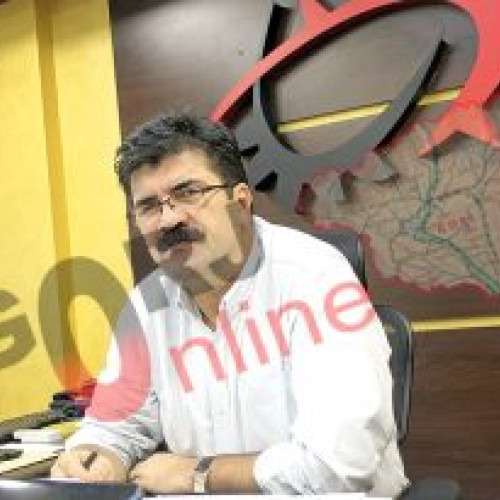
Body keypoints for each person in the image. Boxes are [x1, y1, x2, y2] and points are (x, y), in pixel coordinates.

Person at [51, 113, 408, 496]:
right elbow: (117, 424)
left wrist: (197, 475)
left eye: (188, 192)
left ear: (240, 202)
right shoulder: (146, 305)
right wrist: (95, 456)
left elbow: (338, 466)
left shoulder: (314, 277)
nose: (168, 220)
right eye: (149, 206)